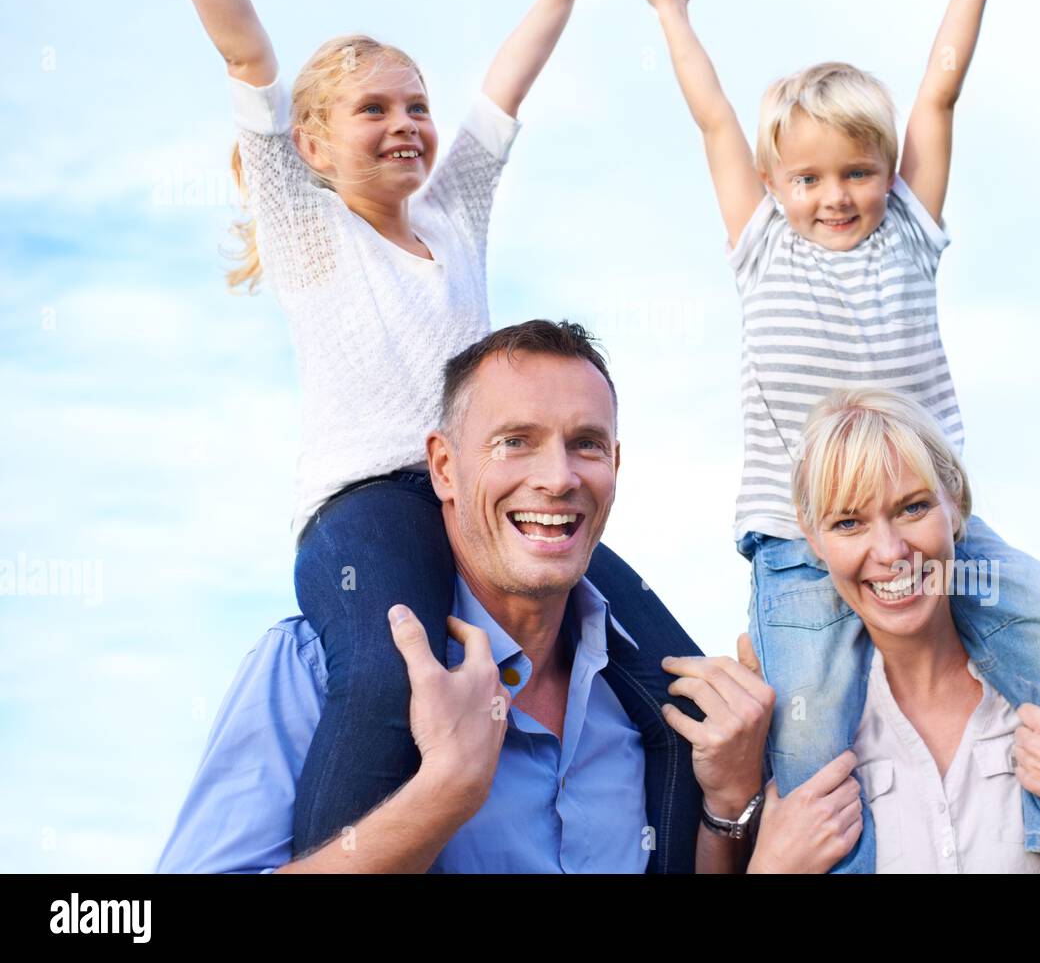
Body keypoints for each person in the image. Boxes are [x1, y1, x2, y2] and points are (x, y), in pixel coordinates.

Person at [96, 0, 690, 859]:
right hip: (367, 508)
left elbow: (504, 93)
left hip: (476, 492)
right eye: (374, 109)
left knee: (680, 685)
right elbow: (244, 54)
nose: (408, 124)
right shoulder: (313, 229)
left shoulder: (453, 213)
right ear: (314, 146)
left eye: (416, 103)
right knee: (380, 681)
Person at [641, 0, 1040, 871]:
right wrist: (674, 16)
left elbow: (937, 98)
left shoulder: (908, 228)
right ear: (775, 183)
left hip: (923, 515)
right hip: (796, 530)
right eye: (809, 177)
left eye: (857, 171)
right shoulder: (761, 240)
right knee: (814, 737)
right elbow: (713, 116)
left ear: (888, 173)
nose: (836, 196)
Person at [157, 320, 776, 874]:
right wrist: (446, 791)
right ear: (445, 468)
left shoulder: (652, 703)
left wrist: (727, 810)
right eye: (515, 441)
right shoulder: (311, 668)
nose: (558, 478)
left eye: (586, 443)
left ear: (615, 464)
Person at [712, 386, 1040, 874]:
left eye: (913, 508)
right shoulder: (781, 713)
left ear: (955, 503)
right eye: (849, 523)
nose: (890, 553)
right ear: (812, 538)